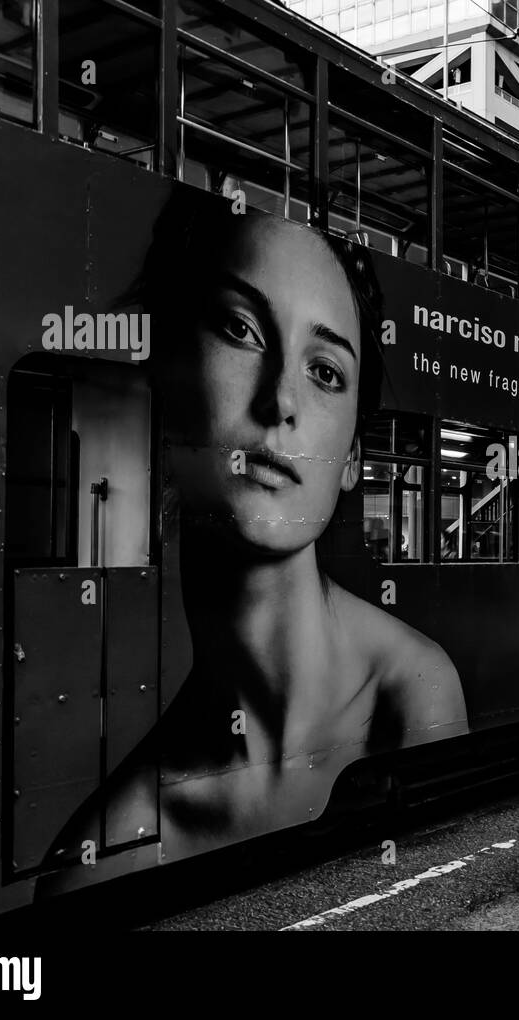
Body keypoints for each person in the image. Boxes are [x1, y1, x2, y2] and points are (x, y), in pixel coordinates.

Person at [41, 191, 467, 877]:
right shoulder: (101, 849)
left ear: (355, 458)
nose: (281, 402)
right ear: (163, 376)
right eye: (241, 331)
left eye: (326, 372)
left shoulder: (416, 690)